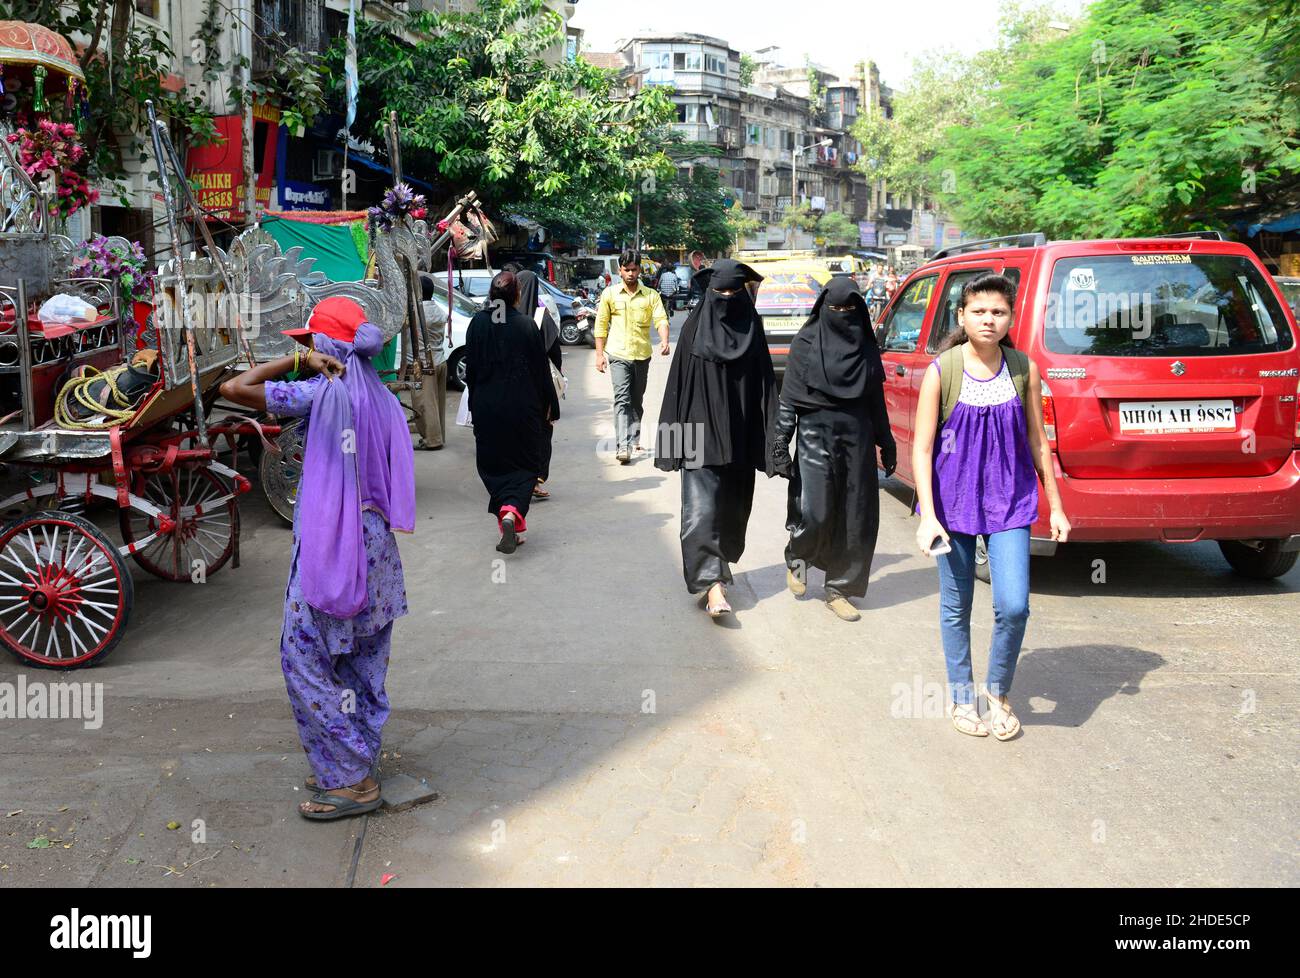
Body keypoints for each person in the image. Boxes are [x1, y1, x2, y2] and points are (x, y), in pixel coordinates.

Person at [219, 296, 415, 820]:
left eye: (310, 341)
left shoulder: (318, 392)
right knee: (360, 660)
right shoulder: (380, 395)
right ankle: (354, 759)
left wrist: (298, 362)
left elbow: (232, 389)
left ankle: (352, 781)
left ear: (324, 347)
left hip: (336, 546)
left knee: (301, 657)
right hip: (378, 549)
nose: (305, 348)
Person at [911, 273, 1070, 740]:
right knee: (957, 605)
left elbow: (1040, 442)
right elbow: (922, 449)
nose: (988, 319)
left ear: (1009, 318)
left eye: (998, 312)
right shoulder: (944, 370)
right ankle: (963, 699)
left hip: (1011, 502)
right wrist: (929, 517)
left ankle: (998, 694)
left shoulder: (1023, 368)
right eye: (978, 311)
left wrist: (1055, 507)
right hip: (952, 504)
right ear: (962, 316)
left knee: (1014, 605)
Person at [655, 259, 778, 618]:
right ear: (710, 294)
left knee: (731, 510)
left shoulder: (752, 327)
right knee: (700, 512)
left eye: (733, 292)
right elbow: (677, 386)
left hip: (739, 436)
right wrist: (671, 443)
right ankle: (712, 586)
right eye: (720, 292)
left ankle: (720, 571)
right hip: (696, 435)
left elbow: (766, 386)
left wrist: (773, 438)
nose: (726, 299)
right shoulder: (695, 329)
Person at [770, 278, 896, 622]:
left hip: (857, 437)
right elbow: (789, 401)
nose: (841, 315)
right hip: (814, 434)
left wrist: (886, 441)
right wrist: (781, 442)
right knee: (817, 511)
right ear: (823, 308)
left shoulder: (865, 348)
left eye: (849, 310)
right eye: (835, 309)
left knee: (855, 518)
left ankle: (839, 589)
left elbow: (875, 400)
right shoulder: (806, 343)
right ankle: (798, 555)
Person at [465, 271, 560, 553]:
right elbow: (541, 373)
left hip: (487, 410)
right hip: (522, 410)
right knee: (525, 466)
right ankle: (511, 513)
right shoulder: (526, 325)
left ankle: (509, 521)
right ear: (516, 295)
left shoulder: (477, 324)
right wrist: (550, 406)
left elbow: (471, 372)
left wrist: (474, 404)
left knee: (495, 465)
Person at [593, 249, 670, 464]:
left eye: (633, 270)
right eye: (626, 270)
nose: (630, 274)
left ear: (639, 270)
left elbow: (661, 319)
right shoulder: (609, 294)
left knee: (636, 400)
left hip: (641, 355)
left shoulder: (651, 296)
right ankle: (623, 446)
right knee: (622, 400)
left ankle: (634, 437)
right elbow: (600, 325)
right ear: (619, 270)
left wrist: (664, 340)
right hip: (617, 354)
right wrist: (599, 355)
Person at [514, 269, 564, 499]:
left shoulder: (508, 315)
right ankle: (534, 479)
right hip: (540, 385)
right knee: (542, 432)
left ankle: (517, 479)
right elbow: (555, 353)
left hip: (514, 385)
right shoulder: (542, 315)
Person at [413, 274, 449, 450]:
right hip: (441, 359)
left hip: (426, 364)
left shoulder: (418, 314)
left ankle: (433, 440)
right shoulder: (439, 310)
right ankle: (438, 435)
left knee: (425, 403)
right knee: (438, 401)